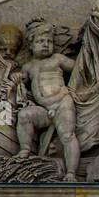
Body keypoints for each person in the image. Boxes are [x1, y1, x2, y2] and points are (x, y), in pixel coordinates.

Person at [15, 19, 80, 179]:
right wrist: (15, 77)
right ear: (30, 45)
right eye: (40, 41)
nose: (45, 44)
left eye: (49, 41)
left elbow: (80, 68)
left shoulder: (57, 59)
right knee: (24, 115)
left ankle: (71, 172)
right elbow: (21, 80)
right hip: (44, 110)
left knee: (67, 135)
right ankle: (25, 149)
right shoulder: (28, 67)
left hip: (62, 103)